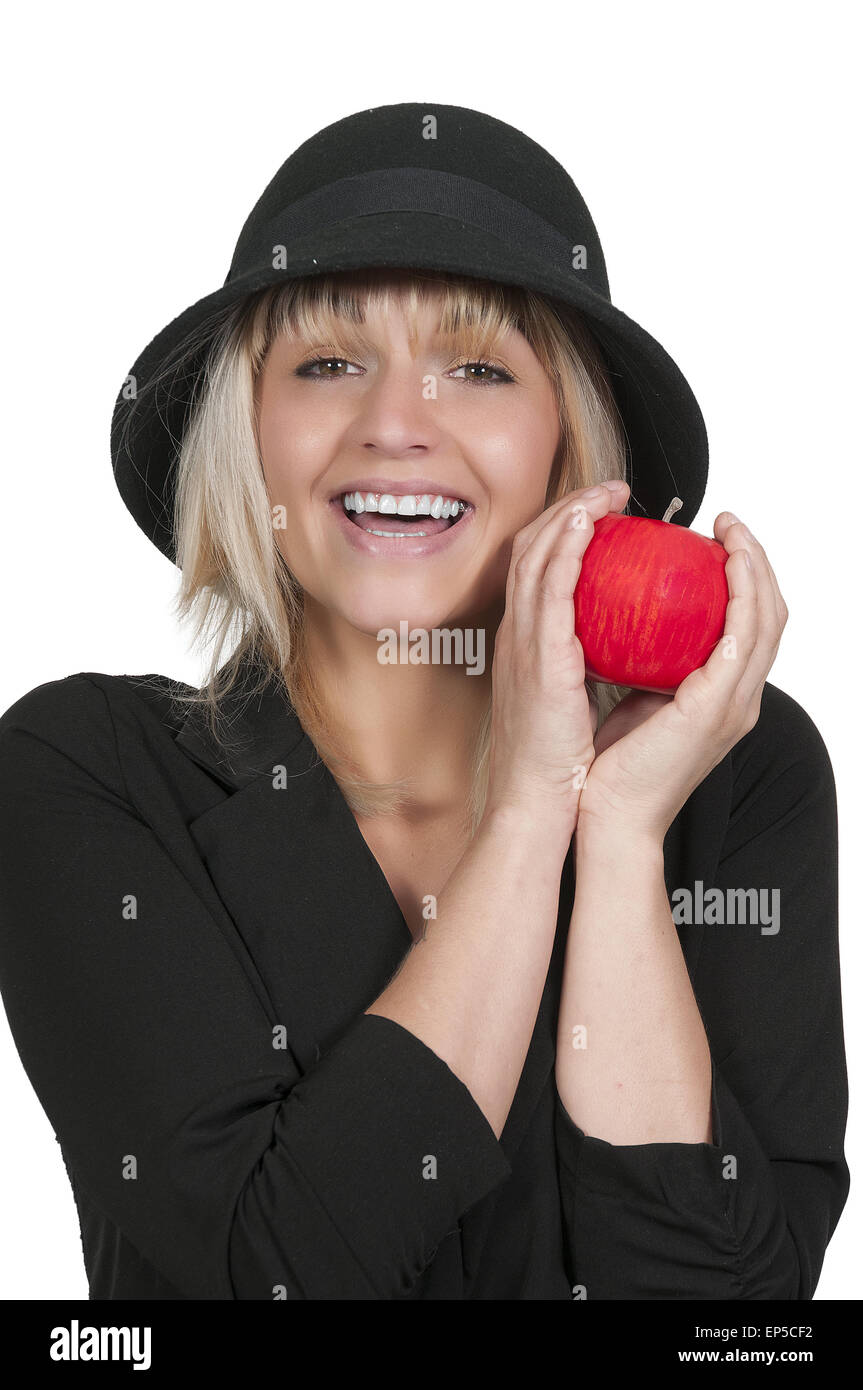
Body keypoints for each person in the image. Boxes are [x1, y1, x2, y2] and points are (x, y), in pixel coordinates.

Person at [0, 103, 849, 1300]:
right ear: (248, 432)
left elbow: (728, 1325)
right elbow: (272, 1272)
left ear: (567, 449)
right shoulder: (82, 770)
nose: (395, 425)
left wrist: (615, 835)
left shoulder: (735, 773)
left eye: (479, 370)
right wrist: (532, 810)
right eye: (326, 365)